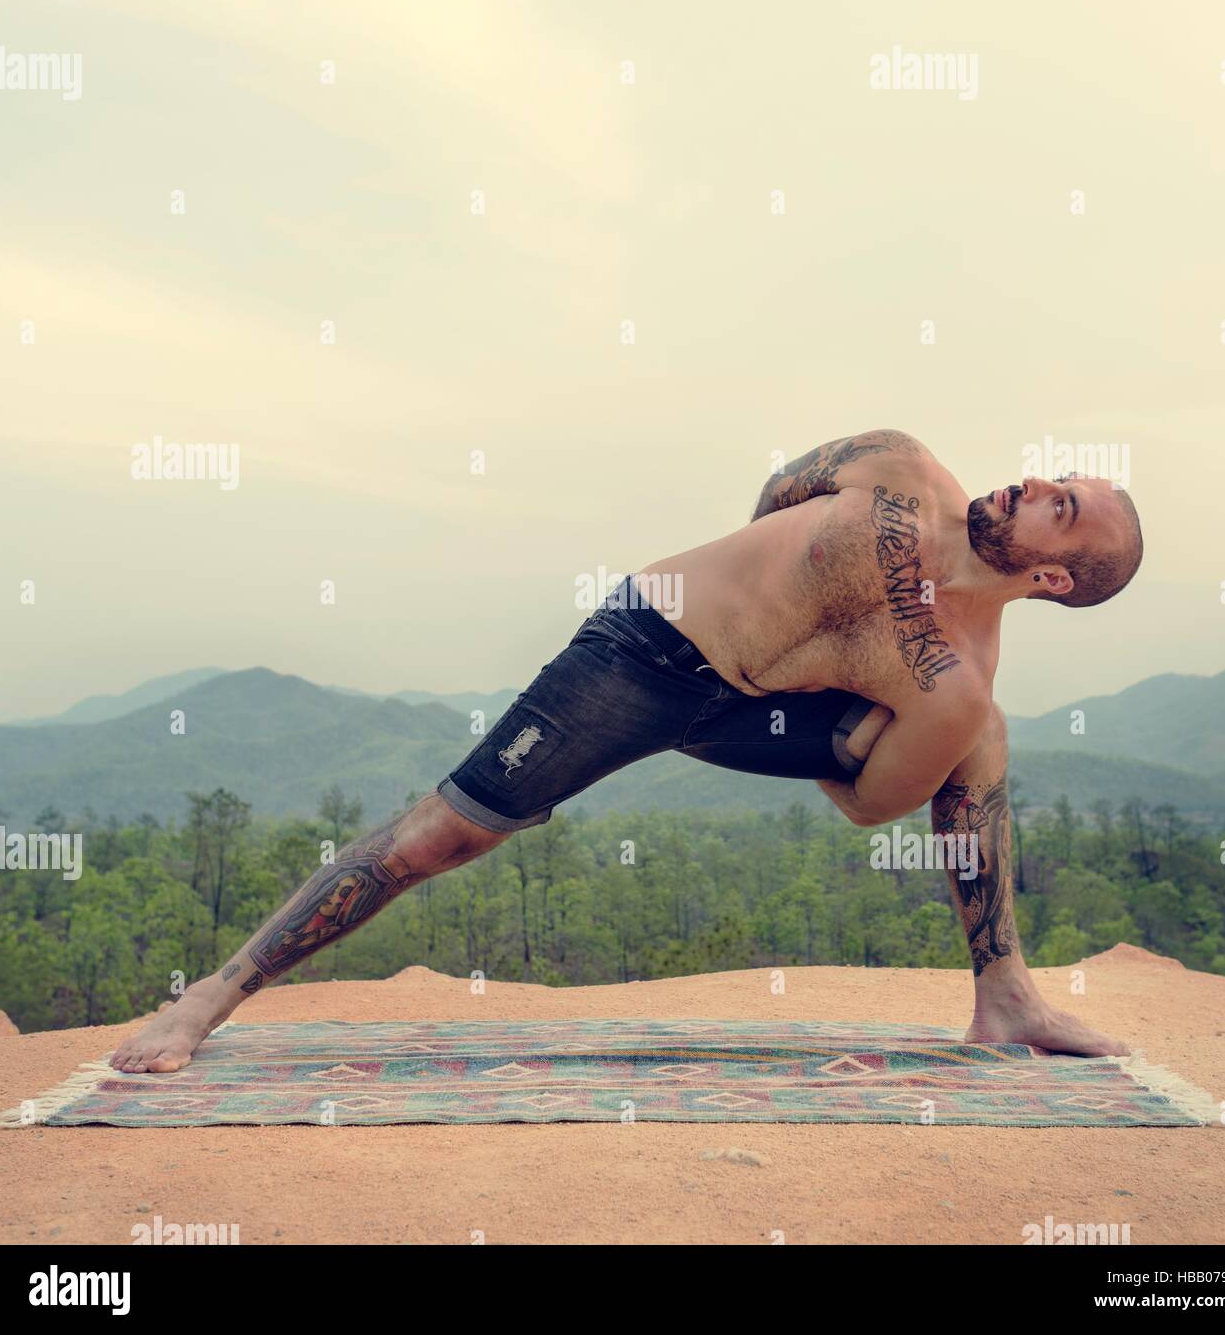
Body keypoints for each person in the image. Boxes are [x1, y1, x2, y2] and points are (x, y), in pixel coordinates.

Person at [111, 429, 1142, 1072]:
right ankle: (211, 995)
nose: (1030, 483)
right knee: (443, 836)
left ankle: (1005, 994)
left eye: (1060, 506)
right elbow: (782, 490)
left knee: (981, 735)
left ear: (1054, 580)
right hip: (647, 649)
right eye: (1052, 476)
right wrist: (766, 597)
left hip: (754, 711)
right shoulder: (902, 466)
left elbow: (870, 806)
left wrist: (812, 685)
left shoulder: (954, 685)